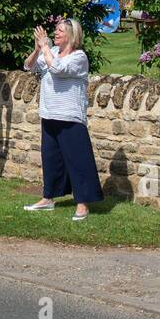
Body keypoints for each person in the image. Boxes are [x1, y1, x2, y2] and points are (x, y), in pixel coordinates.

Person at [22, 18, 101, 221]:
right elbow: (29, 66)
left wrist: (46, 48)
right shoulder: (52, 52)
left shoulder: (79, 57)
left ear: (71, 36)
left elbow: (57, 69)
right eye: (55, 30)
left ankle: (82, 204)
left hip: (70, 116)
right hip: (49, 113)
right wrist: (38, 48)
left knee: (78, 161)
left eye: (60, 31)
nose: (55, 33)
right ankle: (48, 198)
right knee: (51, 159)